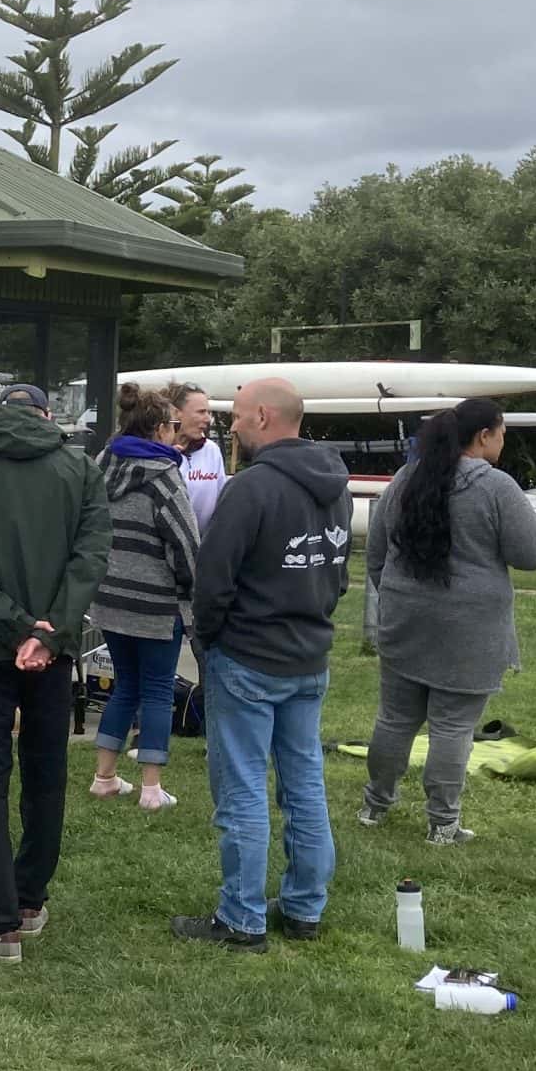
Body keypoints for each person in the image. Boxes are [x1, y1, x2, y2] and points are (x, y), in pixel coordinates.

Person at [171, 377, 351, 951]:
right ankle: (304, 909)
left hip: (247, 657)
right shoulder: (337, 487)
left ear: (266, 418)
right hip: (308, 655)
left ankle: (242, 918)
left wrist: (209, 641)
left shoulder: (249, 489)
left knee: (243, 790)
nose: (233, 428)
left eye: (240, 417)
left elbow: (212, 581)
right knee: (305, 784)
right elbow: (338, 572)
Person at [0, 380, 109, 961]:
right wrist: (48, 631)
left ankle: (1, 922)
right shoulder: (78, 466)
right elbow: (92, 555)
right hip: (51, 647)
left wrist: (14, 626)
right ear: (44, 413)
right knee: (45, 771)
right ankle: (29, 900)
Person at [361, 397, 536, 843]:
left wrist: (397, 596)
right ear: (484, 435)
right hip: (470, 628)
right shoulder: (497, 487)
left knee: (394, 718)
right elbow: (530, 556)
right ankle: (443, 825)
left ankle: (374, 806)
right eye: (502, 432)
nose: (503, 441)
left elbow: (376, 554)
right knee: (452, 727)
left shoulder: (408, 477)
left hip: (405, 619)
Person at [87, 382, 202, 812]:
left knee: (125, 686)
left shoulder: (101, 465)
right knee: (156, 690)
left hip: (110, 597)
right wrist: (194, 591)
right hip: (157, 602)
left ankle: (105, 777)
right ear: (158, 429)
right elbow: (187, 546)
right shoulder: (164, 476)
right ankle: (152, 789)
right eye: (175, 425)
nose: (178, 433)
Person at [168, 381, 227, 533]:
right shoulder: (158, 451)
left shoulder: (211, 450)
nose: (208, 419)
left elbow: (221, 504)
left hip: (203, 548)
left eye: (208, 412)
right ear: (176, 413)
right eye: (201, 412)